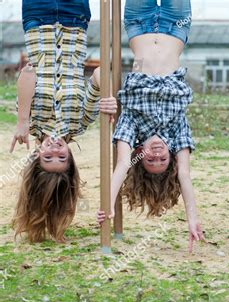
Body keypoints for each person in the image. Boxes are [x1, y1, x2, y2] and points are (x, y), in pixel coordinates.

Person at [96, 0, 204, 253]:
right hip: (175, 28)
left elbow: (122, 165)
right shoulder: (178, 129)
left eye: (149, 161)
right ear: (171, 160)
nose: (156, 155)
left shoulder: (130, 125)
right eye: (162, 161)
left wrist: (109, 204)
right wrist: (192, 218)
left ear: (139, 156)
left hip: (138, 24)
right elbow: (185, 177)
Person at [12, 0, 117, 243]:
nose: (55, 151)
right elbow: (100, 74)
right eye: (62, 158)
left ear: (36, 156)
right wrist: (108, 94)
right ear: (71, 158)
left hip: (37, 18)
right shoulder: (80, 122)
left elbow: (27, 73)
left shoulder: (32, 122)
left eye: (48, 158)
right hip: (74, 19)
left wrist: (22, 121)